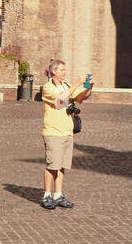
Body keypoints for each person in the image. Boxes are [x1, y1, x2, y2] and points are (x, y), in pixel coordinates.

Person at [40, 58, 93, 210]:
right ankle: (47, 195)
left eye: (65, 70)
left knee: (62, 166)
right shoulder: (48, 88)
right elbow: (61, 100)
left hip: (67, 131)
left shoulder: (66, 85)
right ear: (54, 71)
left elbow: (80, 98)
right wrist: (77, 82)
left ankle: (58, 194)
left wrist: (89, 86)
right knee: (52, 165)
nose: (64, 73)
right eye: (62, 70)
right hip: (53, 131)